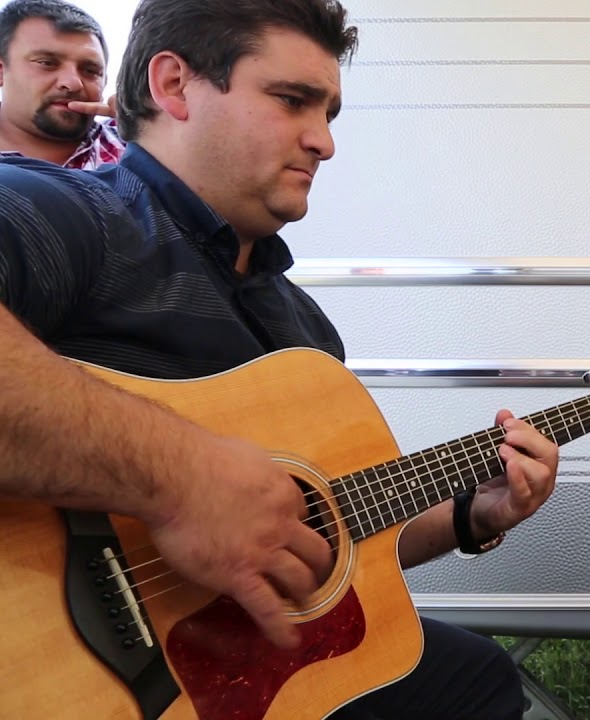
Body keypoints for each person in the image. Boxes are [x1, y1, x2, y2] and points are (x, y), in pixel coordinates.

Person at [0, 0, 555, 717]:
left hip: (239, 672)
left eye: (329, 113)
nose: (323, 142)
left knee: (472, 678)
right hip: (63, 676)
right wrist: (178, 476)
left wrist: (469, 516)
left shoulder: (305, 333)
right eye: (292, 100)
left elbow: (325, 533)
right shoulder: (69, 213)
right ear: (174, 86)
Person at [0, 0, 123, 168]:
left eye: (90, 70)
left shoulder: (141, 149)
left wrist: (154, 125)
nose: (73, 83)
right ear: (1, 71)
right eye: (47, 63)